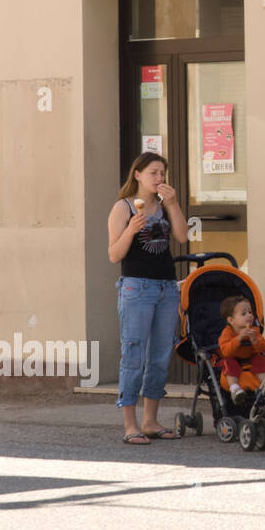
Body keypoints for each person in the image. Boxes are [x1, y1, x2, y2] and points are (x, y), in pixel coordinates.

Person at [107, 151, 188, 445]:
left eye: (162, 174)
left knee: (159, 355)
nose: (159, 178)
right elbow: (114, 254)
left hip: (166, 287)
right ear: (137, 174)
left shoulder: (165, 206)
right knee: (134, 353)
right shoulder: (123, 207)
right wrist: (130, 230)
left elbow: (181, 236)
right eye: (154, 173)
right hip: (136, 287)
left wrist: (174, 204)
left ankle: (150, 420)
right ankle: (130, 424)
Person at [217, 296, 265, 401]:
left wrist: (255, 341)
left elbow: (264, 347)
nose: (249, 315)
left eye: (250, 312)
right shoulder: (227, 332)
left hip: (251, 359)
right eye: (244, 314)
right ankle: (235, 388)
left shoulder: (254, 330)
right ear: (231, 320)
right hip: (233, 359)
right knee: (229, 362)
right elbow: (226, 351)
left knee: (261, 360)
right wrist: (238, 339)